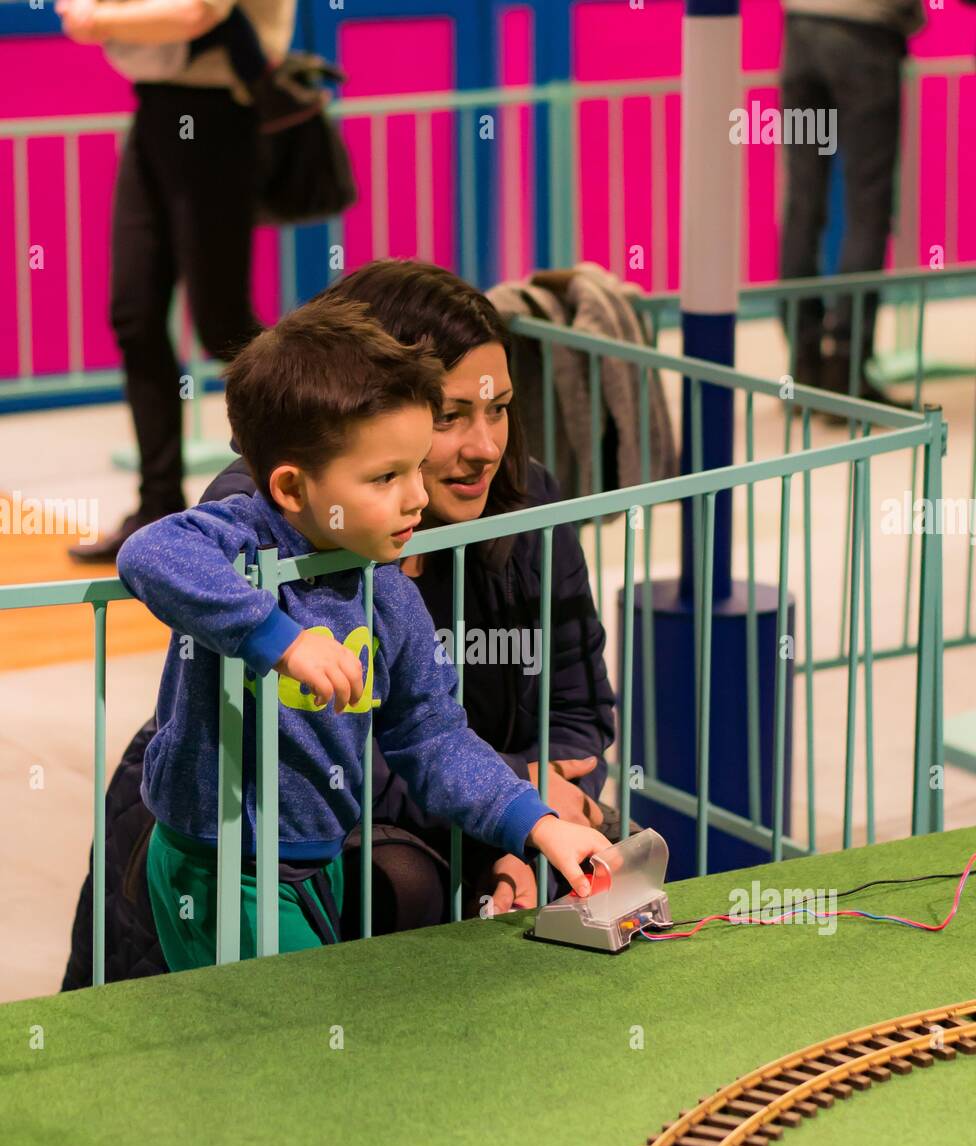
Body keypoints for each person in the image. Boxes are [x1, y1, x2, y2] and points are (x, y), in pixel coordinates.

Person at [62, 259, 618, 987]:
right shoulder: (253, 527)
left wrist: (536, 823)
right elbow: (152, 551)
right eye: (391, 475)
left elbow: (431, 735)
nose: (418, 496)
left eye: (419, 467)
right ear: (296, 486)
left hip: (314, 854)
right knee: (289, 1029)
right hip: (222, 857)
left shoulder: (386, 586)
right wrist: (278, 639)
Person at [55, 0, 298, 562]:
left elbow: (196, 13)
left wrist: (97, 21)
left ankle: (294, 489)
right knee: (134, 314)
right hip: (155, 111)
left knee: (223, 325)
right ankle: (157, 505)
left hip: (218, 116)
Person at [779, 1, 925, 399]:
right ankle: (846, 364)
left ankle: (803, 362)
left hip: (801, 32)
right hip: (866, 38)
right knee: (868, 208)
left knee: (803, 205)